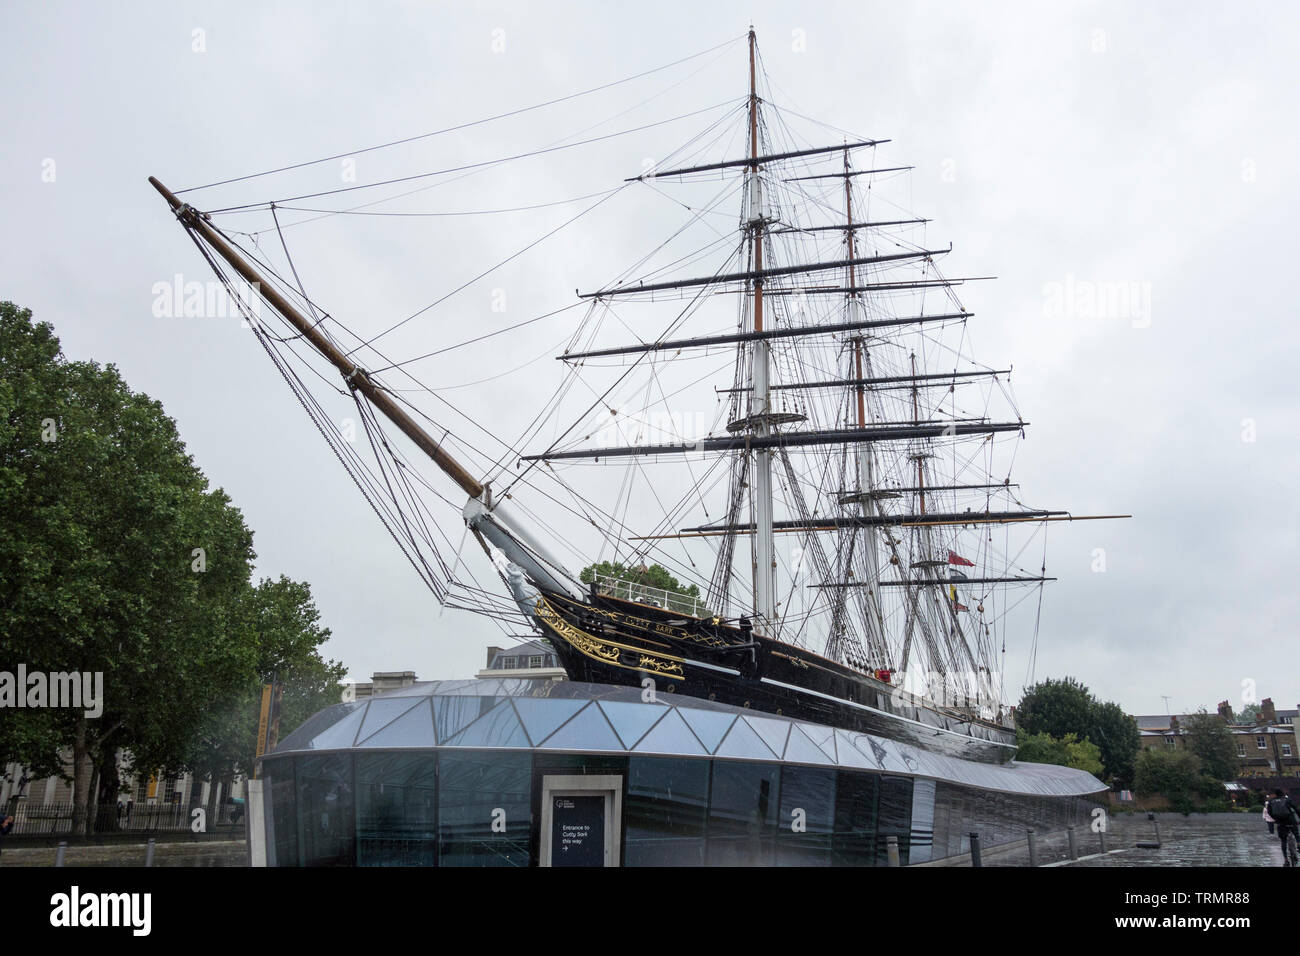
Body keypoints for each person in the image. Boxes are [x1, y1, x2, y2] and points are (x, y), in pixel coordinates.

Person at [1266, 788, 1299, 866]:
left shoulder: (1271, 801)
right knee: (1296, 832)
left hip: (1280, 822)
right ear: (1283, 794)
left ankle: (1286, 860)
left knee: (1283, 840)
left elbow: (1269, 812)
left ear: (1276, 794)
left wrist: (1276, 819)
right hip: (1289, 819)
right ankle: (1298, 843)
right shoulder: (1287, 800)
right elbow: (1296, 809)